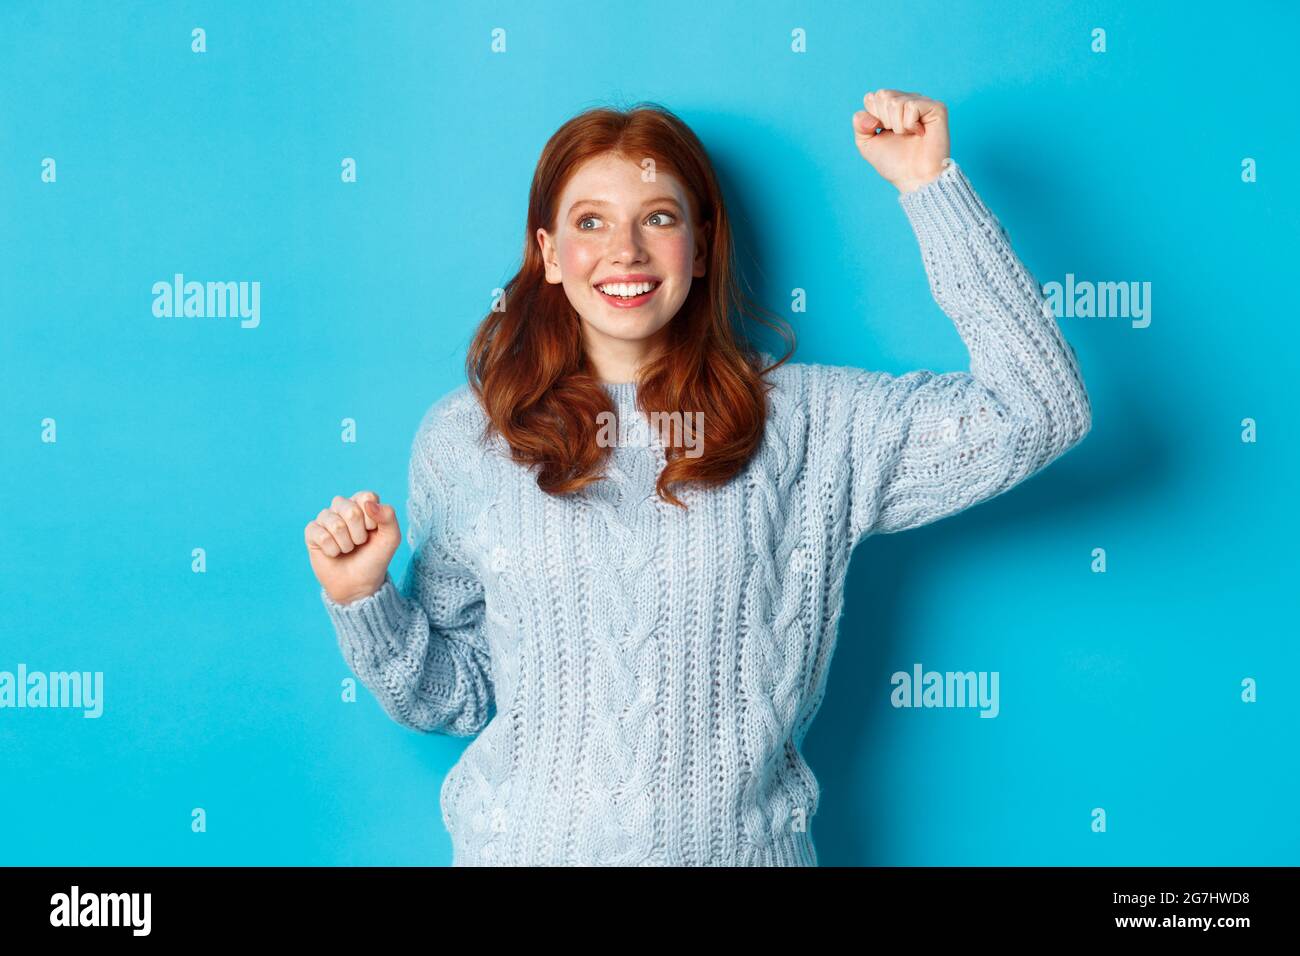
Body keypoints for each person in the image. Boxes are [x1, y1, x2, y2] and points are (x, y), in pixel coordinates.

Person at [303, 90, 1092, 866]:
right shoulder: (469, 437)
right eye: (590, 223)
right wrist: (360, 600)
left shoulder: (811, 426)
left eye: (658, 217)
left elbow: (1039, 410)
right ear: (548, 254)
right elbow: (459, 695)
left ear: (703, 246)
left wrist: (930, 186)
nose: (625, 251)